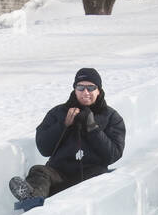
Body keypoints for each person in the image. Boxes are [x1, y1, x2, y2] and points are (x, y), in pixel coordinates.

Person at [9, 67, 126, 201]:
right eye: (80, 87)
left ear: (99, 90)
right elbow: (44, 148)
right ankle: (33, 198)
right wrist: (63, 125)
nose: (85, 92)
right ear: (74, 90)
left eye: (91, 87)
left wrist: (93, 128)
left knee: (100, 175)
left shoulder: (111, 117)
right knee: (39, 171)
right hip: (59, 174)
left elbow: (113, 154)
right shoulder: (58, 112)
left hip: (90, 176)